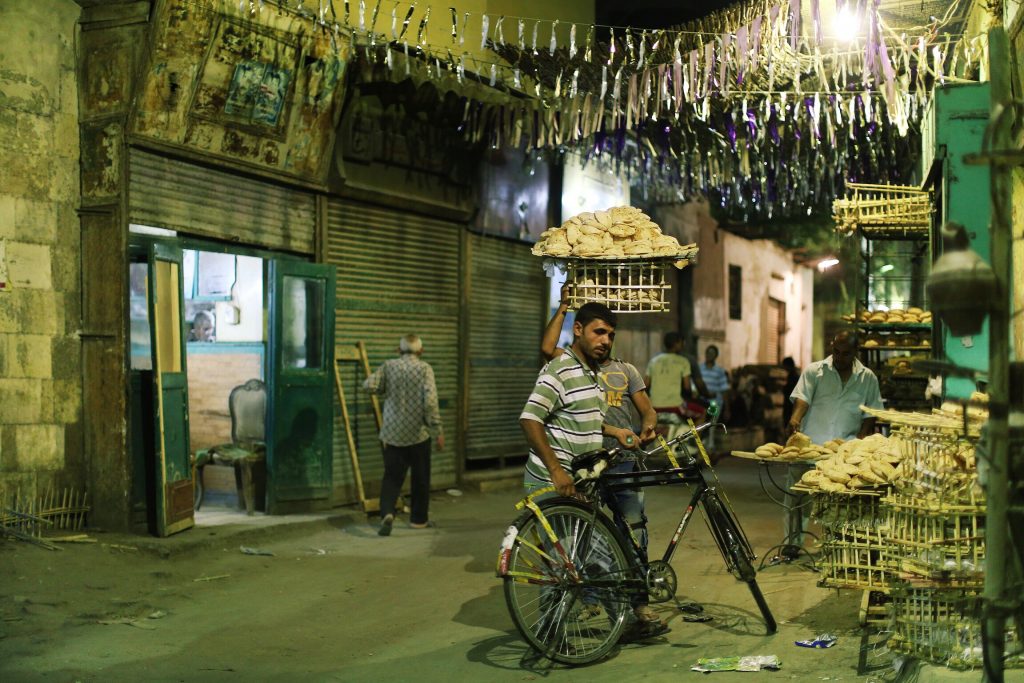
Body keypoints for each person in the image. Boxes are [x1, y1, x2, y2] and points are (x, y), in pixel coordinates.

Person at [540, 293, 664, 632]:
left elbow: (647, 410)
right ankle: (591, 600)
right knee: (584, 537)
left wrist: (648, 426)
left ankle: (638, 603)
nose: (606, 341)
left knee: (634, 533)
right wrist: (564, 307)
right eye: (599, 333)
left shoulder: (626, 370)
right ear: (582, 331)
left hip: (623, 463)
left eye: (611, 334)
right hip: (586, 466)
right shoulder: (574, 365)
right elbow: (547, 348)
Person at [782, 331, 883, 557]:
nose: (839, 357)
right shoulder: (814, 371)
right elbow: (802, 399)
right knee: (797, 499)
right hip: (810, 448)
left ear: (856, 352)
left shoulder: (868, 378)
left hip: (843, 453)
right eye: (836, 351)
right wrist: (795, 419)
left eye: (846, 354)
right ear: (831, 346)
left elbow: (871, 413)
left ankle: (838, 548)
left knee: (840, 504)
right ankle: (792, 544)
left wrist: (861, 442)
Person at [364, 334, 445, 537]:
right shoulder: (425, 369)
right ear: (421, 351)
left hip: (392, 433)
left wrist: (385, 388)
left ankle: (387, 513)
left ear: (398, 350)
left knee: (391, 477)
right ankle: (418, 520)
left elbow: (369, 385)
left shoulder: (389, 366)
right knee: (420, 477)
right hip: (417, 434)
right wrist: (438, 430)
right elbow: (430, 401)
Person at [699, 345, 731, 452]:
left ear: (716, 356)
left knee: (711, 424)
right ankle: (704, 445)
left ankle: (710, 446)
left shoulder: (719, 371)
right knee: (702, 424)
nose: (709, 355)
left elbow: (724, 389)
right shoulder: (700, 369)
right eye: (708, 353)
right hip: (701, 402)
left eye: (712, 354)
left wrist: (727, 409)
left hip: (715, 402)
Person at [781, 356, 800, 428]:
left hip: (790, 406)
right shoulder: (793, 375)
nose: (784, 368)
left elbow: (790, 390)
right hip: (790, 406)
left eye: (784, 366)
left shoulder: (793, 376)